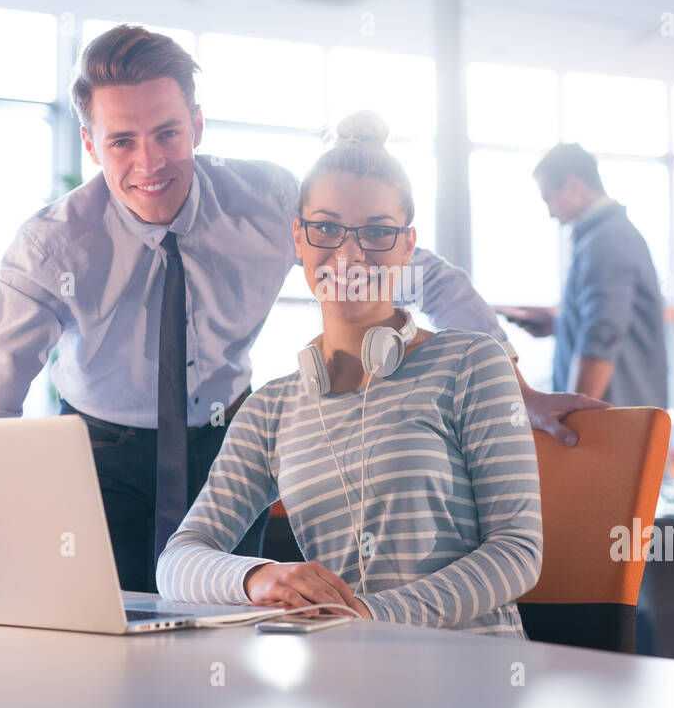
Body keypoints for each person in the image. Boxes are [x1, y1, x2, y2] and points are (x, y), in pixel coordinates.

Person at [0, 25, 592, 625]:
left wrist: (517, 387)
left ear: (196, 124)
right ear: (90, 144)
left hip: (225, 447)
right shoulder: (54, 245)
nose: (149, 164)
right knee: (97, 643)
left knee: (226, 641)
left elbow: (412, 267)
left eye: (167, 133)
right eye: (122, 141)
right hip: (98, 459)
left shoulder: (265, 202)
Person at [156, 113, 543, 636]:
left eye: (378, 233)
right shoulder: (273, 408)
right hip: (347, 678)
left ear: (408, 248)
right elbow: (176, 563)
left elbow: (517, 552)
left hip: (475, 675)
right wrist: (258, 577)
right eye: (327, 228)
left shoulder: (471, 364)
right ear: (299, 238)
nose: (349, 254)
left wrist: (371, 614)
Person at [503, 143, 667, 408]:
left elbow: (603, 334)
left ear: (573, 186)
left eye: (549, 199)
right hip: (619, 416)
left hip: (613, 425)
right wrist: (561, 324)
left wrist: (573, 420)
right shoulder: (608, 236)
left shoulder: (607, 239)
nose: (551, 213)